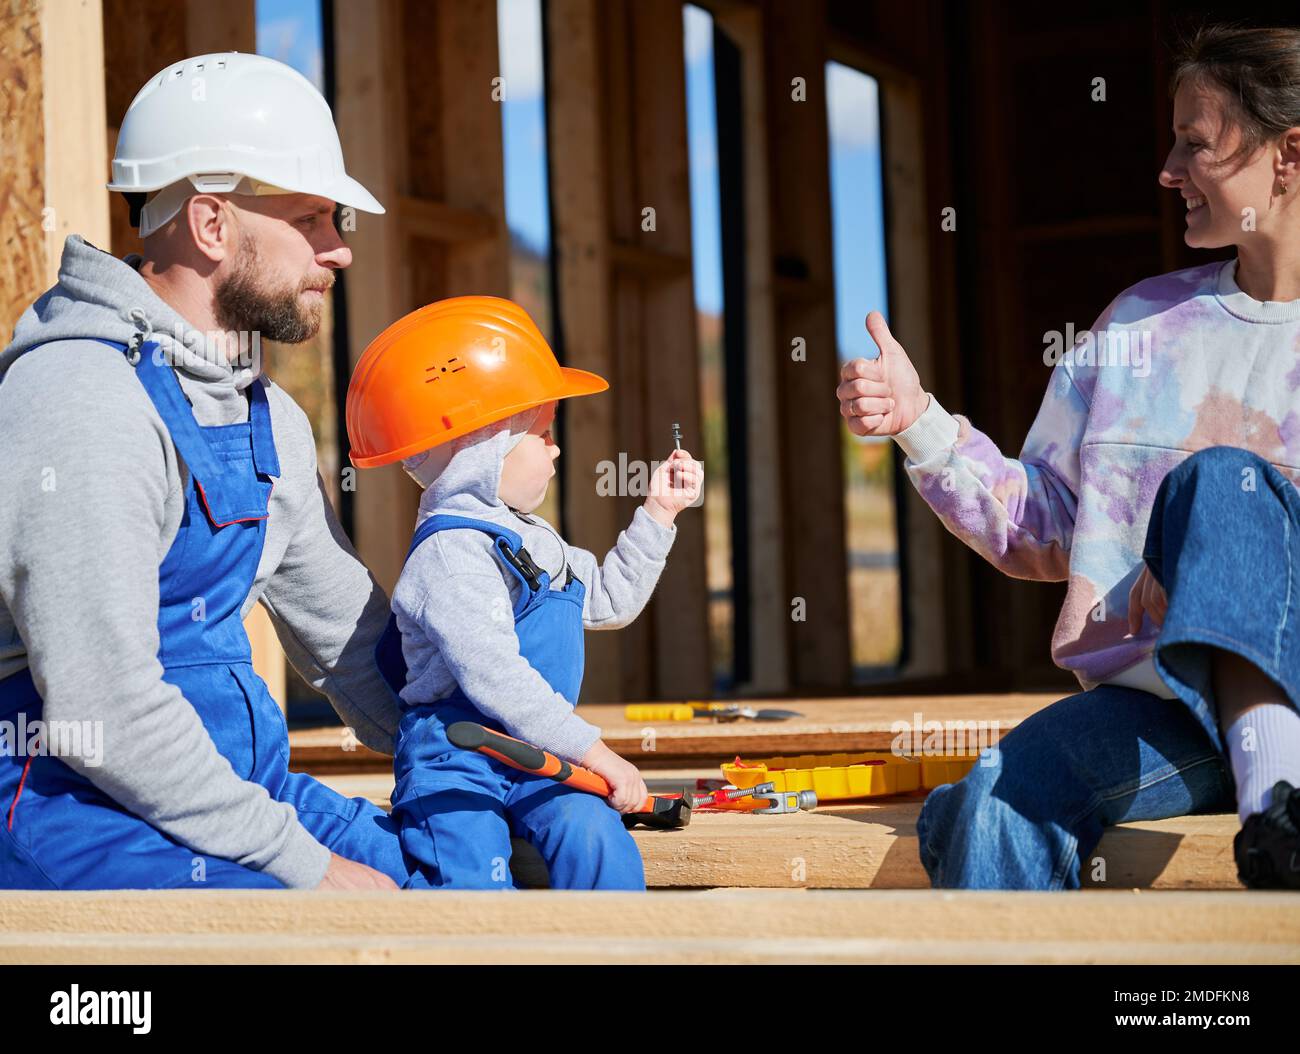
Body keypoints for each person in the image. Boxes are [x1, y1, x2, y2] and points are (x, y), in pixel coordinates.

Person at [837, 24, 1300, 890]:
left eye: (1193, 142)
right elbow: (1044, 525)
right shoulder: (1135, 327)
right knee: (996, 800)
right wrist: (919, 421)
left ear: (1289, 153)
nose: (1167, 168)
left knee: (1220, 487)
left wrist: (1209, 569)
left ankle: (1282, 797)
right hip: (1157, 713)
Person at [0, 53, 407, 890]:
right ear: (214, 225)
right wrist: (310, 870)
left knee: (458, 873)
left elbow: (358, 652)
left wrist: (506, 766)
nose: (340, 254)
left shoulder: (266, 416)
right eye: (314, 220)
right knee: (347, 930)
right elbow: (100, 713)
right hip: (68, 813)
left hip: (223, 796)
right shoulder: (80, 397)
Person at [346, 296, 703, 888]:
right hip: (457, 759)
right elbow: (496, 677)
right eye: (542, 434)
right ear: (482, 451)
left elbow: (610, 600)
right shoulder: (450, 554)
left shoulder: (536, 541)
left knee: (594, 837)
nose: (557, 448)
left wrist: (659, 512)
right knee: (468, 877)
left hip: (540, 755)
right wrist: (596, 753)